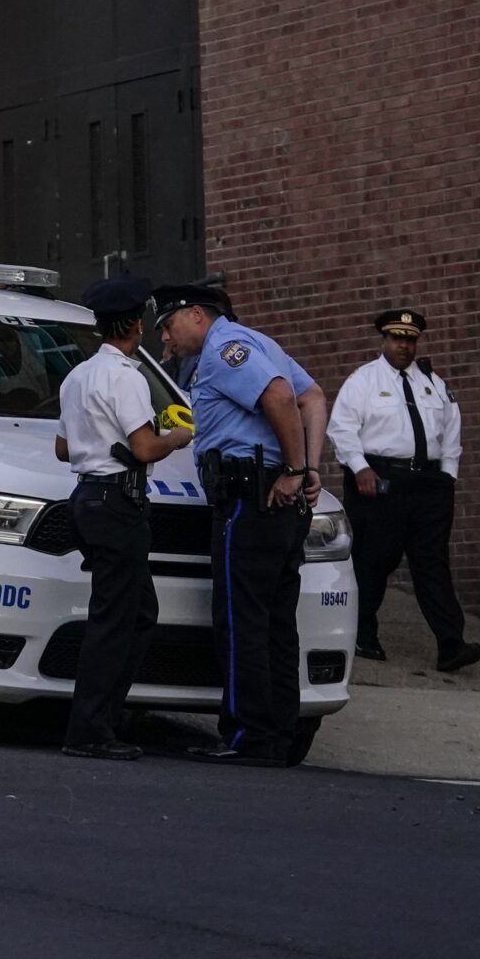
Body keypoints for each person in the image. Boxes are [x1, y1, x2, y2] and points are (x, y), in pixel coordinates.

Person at [158, 281, 327, 766]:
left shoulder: (223, 351)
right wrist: (309, 466)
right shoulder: (259, 342)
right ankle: (278, 737)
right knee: (276, 623)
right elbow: (311, 396)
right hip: (276, 500)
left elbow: (279, 394)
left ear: (195, 315)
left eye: (168, 327)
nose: (165, 340)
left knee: (240, 621)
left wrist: (297, 471)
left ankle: (248, 737)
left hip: (249, 502)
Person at [54, 277, 193, 760]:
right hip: (118, 504)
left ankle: (105, 717)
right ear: (137, 325)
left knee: (137, 614)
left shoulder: (77, 376)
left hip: (87, 499)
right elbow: (144, 447)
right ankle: (89, 730)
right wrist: (176, 436)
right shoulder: (128, 377)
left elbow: (62, 448)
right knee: (114, 620)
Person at [329, 308, 480, 672]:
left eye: (410, 339)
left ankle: (451, 645)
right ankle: (363, 634)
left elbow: (451, 429)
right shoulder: (363, 381)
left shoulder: (433, 383)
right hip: (379, 480)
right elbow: (342, 428)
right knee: (373, 560)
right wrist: (360, 467)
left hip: (428, 485)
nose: (404, 346)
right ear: (384, 339)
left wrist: (448, 476)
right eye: (397, 338)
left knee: (432, 564)